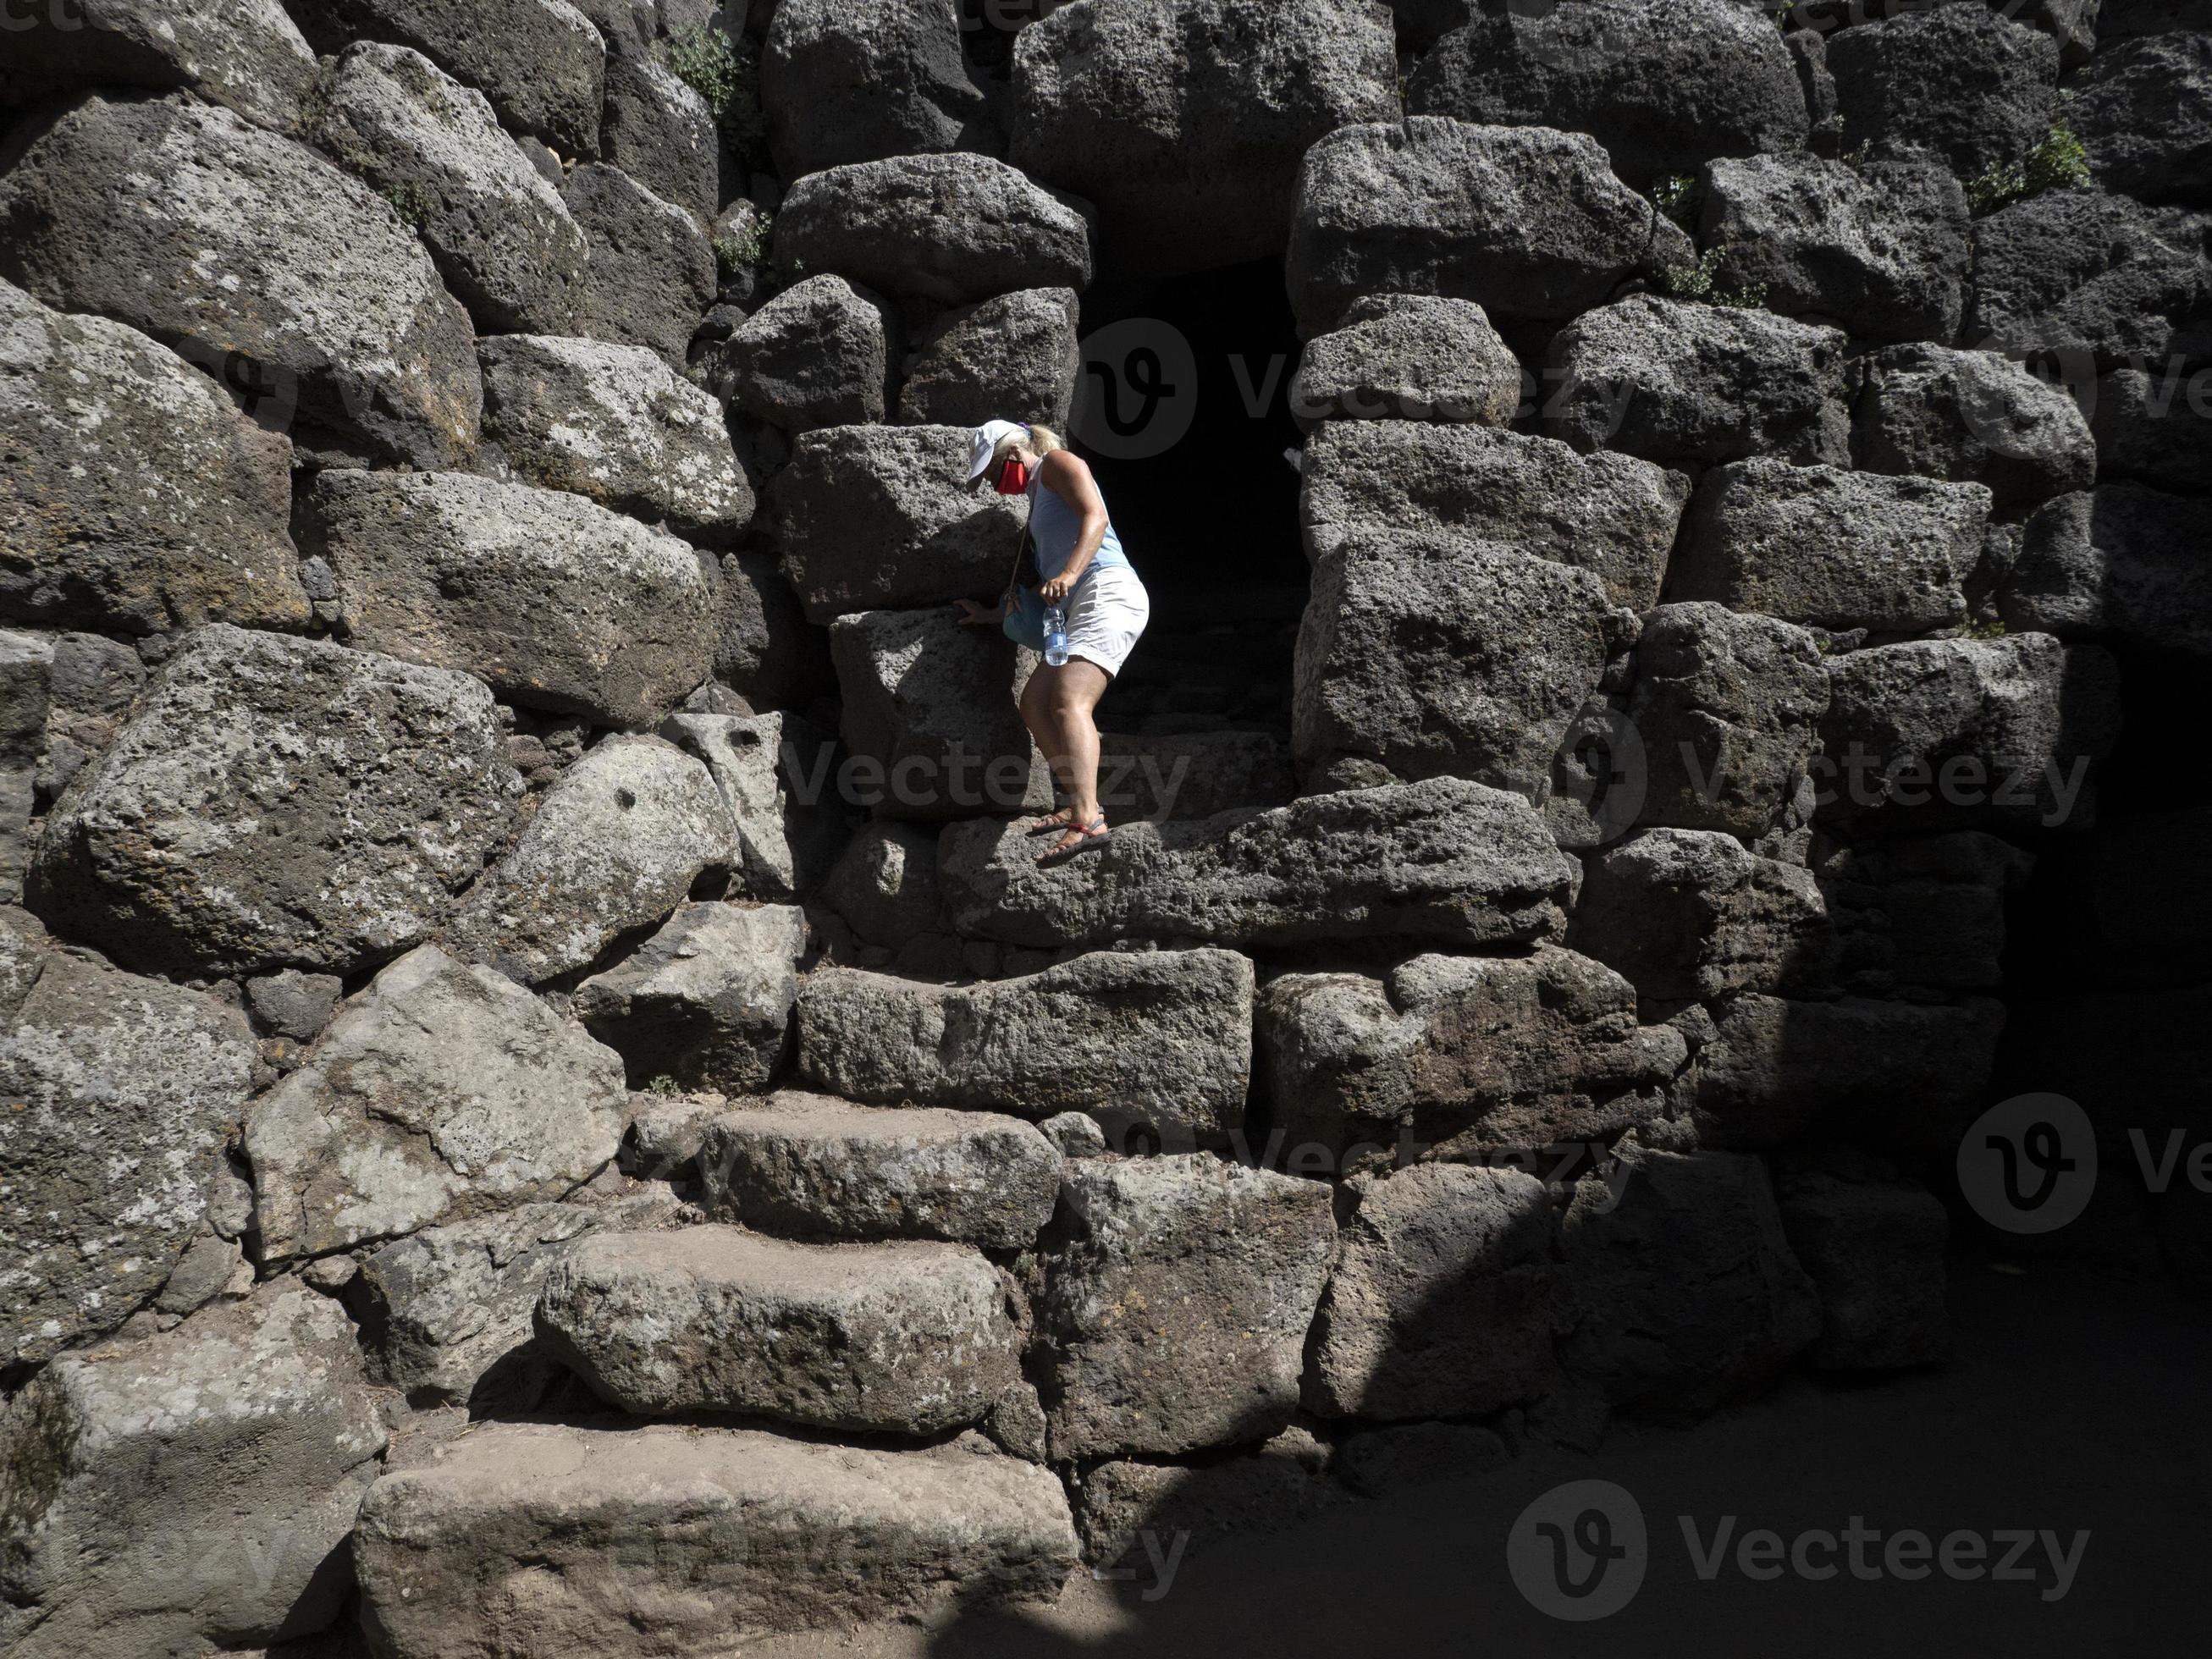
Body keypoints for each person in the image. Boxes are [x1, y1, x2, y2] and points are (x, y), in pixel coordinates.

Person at [954, 419, 1151, 862]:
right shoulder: (1036, 495)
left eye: (993, 474)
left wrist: (1068, 574)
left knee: (1069, 701)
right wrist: (989, 615)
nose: (995, 486)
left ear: (1012, 455)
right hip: (1080, 602)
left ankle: (1088, 818)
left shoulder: (1058, 463)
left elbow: (1095, 516)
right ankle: (1075, 802)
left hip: (1107, 591)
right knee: (1035, 702)